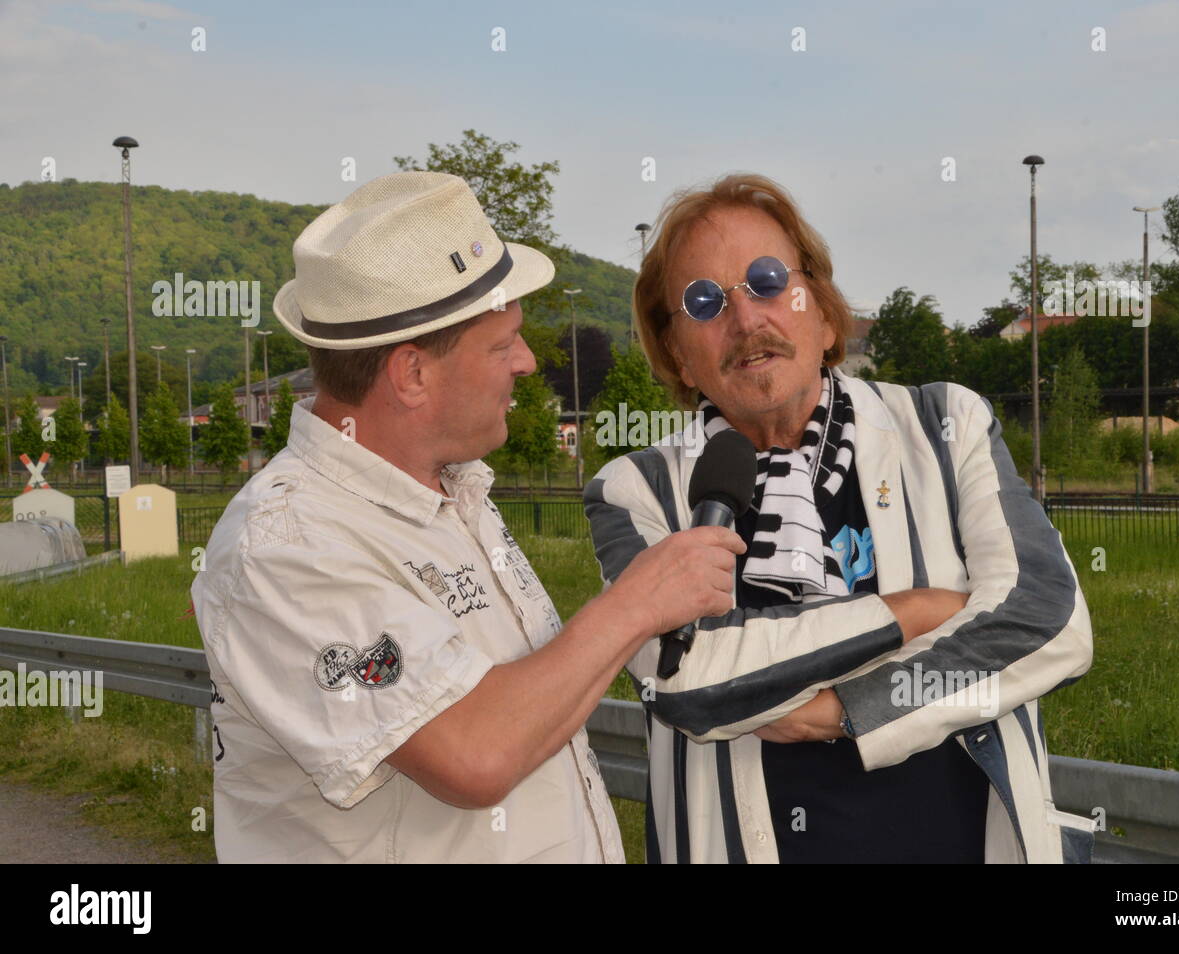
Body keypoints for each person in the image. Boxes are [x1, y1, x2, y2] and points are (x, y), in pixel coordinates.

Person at [190, 172, 744, 863]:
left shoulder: (451, 492)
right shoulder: (286, 545)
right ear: (412, 374)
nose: (528, 361)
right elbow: (476, 753)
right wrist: (637, 604)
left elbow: (528, 711)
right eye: (502, 342)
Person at [583, 173, 1096, 863]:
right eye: (704, 301)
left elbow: (1047, 620)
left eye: (767, 281)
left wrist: (846, 712)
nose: (745, 320)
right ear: (677, 351)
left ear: (824, 313)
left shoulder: (945, 425)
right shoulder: (636, 491)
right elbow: (689, 677)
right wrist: (915, 611)